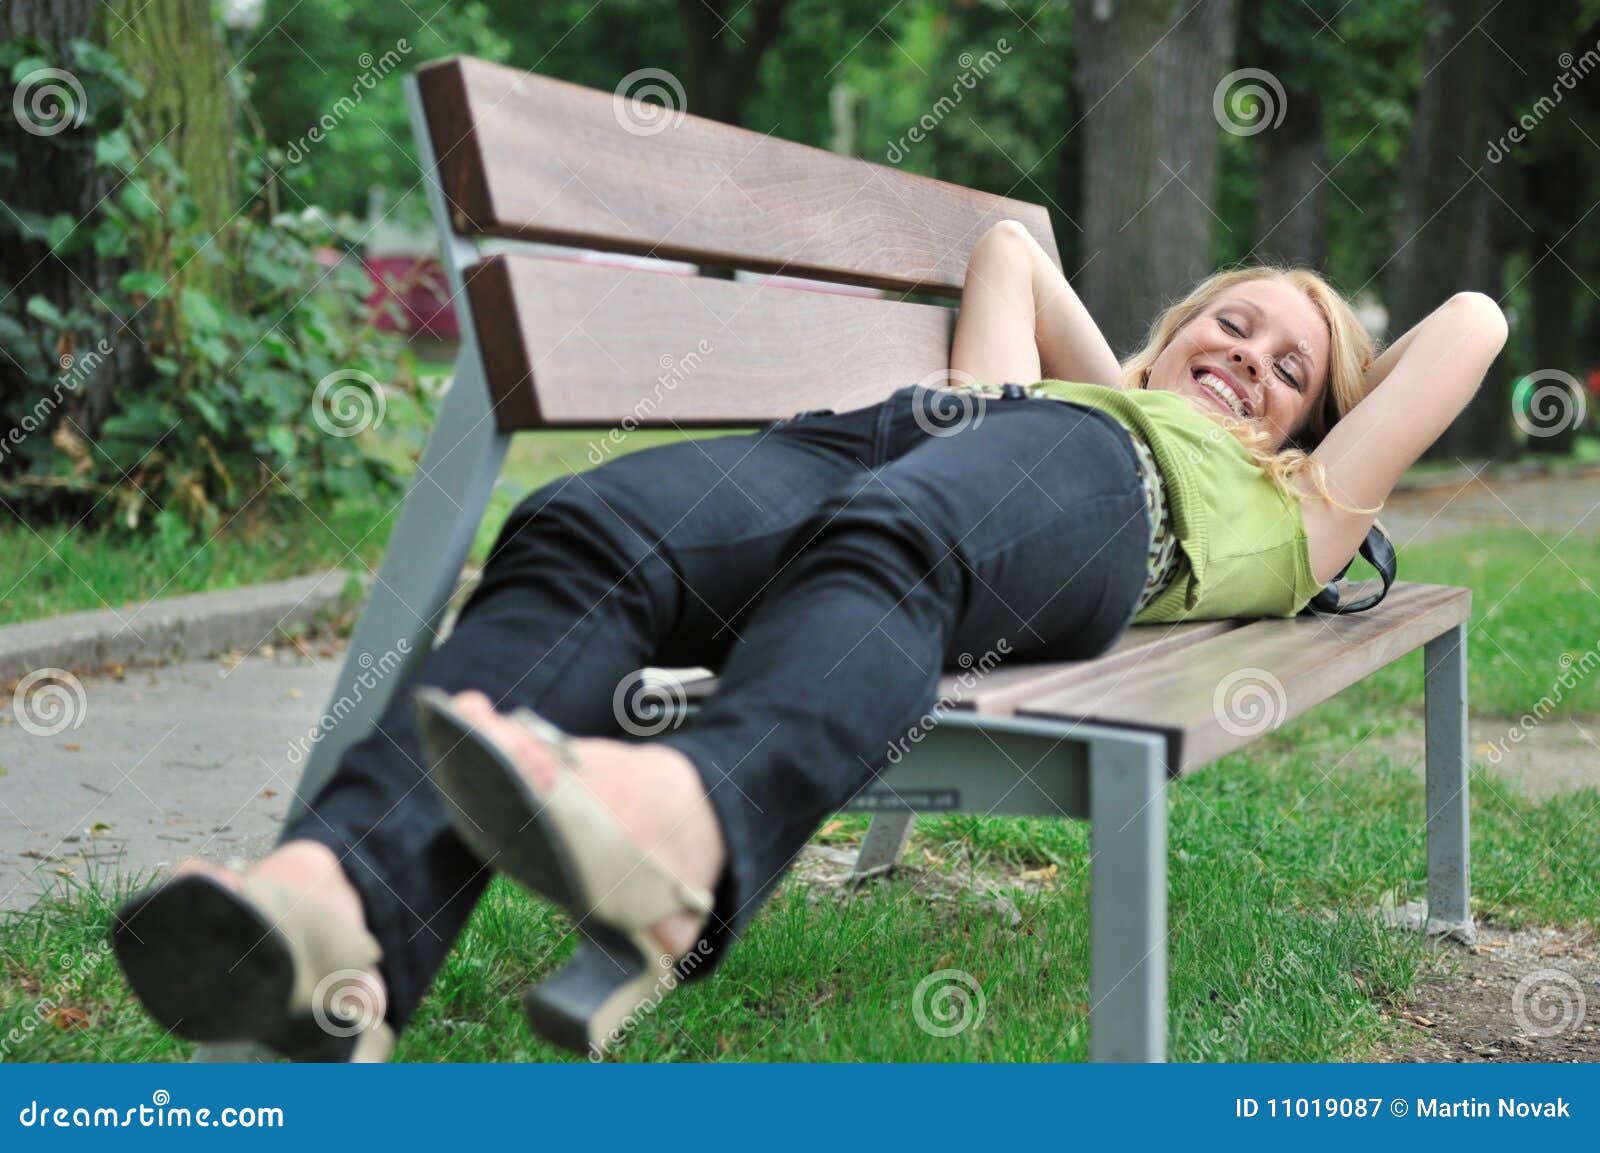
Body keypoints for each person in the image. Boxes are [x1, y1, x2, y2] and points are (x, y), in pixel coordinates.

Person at [110, 220, 1508, 1061]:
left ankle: (686, 831)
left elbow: (1477, 319)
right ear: (1170, 329)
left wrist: (1212, 402)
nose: (1247, 362)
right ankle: (335, 913)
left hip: (1081, 508)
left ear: (1315, 437)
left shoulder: (1299, 503)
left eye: (1287, 375)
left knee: (903, 539)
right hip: (889, 443)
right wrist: (1148, 364)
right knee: (585, 531)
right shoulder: (1096, 387)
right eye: (1230, 322)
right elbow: (1012, 248)